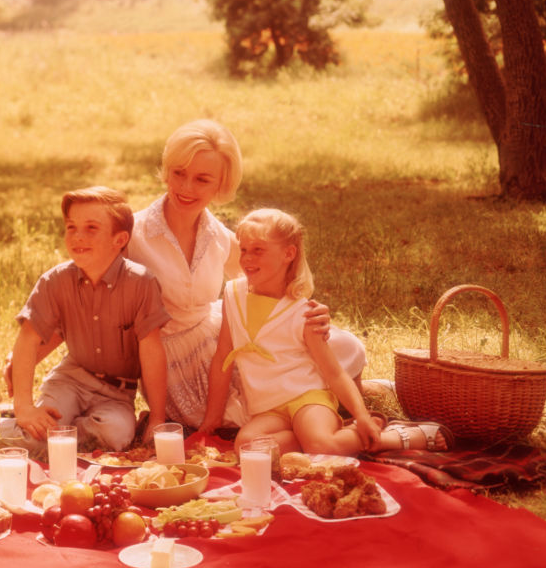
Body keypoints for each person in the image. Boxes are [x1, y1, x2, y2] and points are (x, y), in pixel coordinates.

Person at [126, 118, 369, 431]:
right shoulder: (133, 233)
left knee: (345, 345)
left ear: (220, 185)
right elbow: (81, 295)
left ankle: (346, 409)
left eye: (202, 179)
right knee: (236, 415)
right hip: (170, 361)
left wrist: (305, 305)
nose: (186, 188)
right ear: (167, 170)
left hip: (217, 335)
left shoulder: (218, 237)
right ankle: (316, 412)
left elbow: (269, 280)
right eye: (179, 174)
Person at [197, 208, 450, 455]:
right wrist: (212, 419)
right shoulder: (233, 295)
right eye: (243, 250)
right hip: (267, 409)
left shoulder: (304, 313)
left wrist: (360, 414)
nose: (247, 259)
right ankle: (324, 436)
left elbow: (334, 372)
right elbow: (223, 357)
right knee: (246, 446)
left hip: (307, 398)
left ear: (288, 253)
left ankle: (393, 437)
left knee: (322, 446)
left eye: (258, 250)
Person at [0, 186, 170, 456]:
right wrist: (25, 408)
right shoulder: (54, 281)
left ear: (119, 239)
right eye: (71, 227)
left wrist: (157, 418)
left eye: (91, 228)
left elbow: (152, 351)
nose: (77, 236)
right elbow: (28, 340)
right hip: (70, 380)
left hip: (117, 394)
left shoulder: (141, 284)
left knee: (115, 435)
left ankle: (52, 432)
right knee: (35, 435)